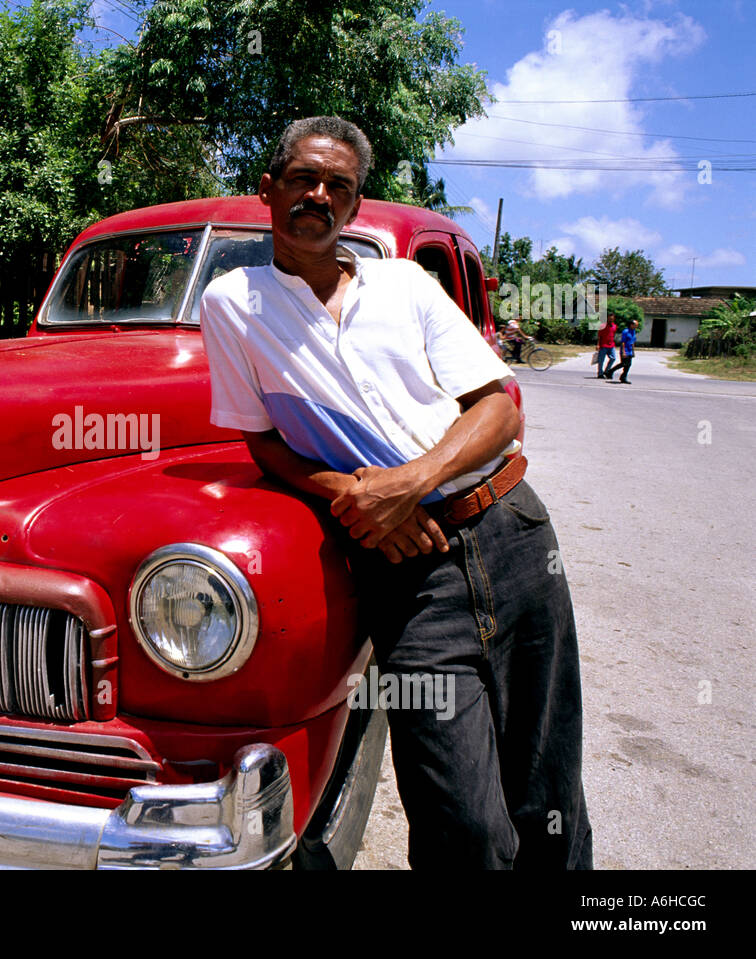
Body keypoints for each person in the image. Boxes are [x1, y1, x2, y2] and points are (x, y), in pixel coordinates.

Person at [199, 115, 592, 869]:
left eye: (337, 185)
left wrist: (406, 485)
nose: (318, 194)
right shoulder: (233, 303)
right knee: (460, 819)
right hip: (407, 570)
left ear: (354, 207)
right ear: (268, 190)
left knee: (549, 793)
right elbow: (263, 443)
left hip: (511, 534)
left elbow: (501, 406)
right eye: (303, 179)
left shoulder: (406, 283)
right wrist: (359, 500)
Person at [605, 318, 638, 383]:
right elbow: (623, 342)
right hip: (625, 350)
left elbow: (633, 342)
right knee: (624, 363)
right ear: (631, 325)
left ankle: (623, 377)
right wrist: (623, 352)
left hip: (630, 350)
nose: (636, 326)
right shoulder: (625, 331)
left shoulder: (633, 331)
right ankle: (610, 371)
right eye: (635, 325)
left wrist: (633, 351)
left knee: (628, 364)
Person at [596, 312, 619, 379]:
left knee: (613, 358)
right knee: (601, 360)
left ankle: (606, 371)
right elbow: (599, 336)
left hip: (611, 345)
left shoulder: (614, 326)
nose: (611, 320)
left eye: (612, 318)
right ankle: (600, 374)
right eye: (609, 318)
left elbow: (613, 335)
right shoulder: (602, 325)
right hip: (603, 345)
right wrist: (598, 345)